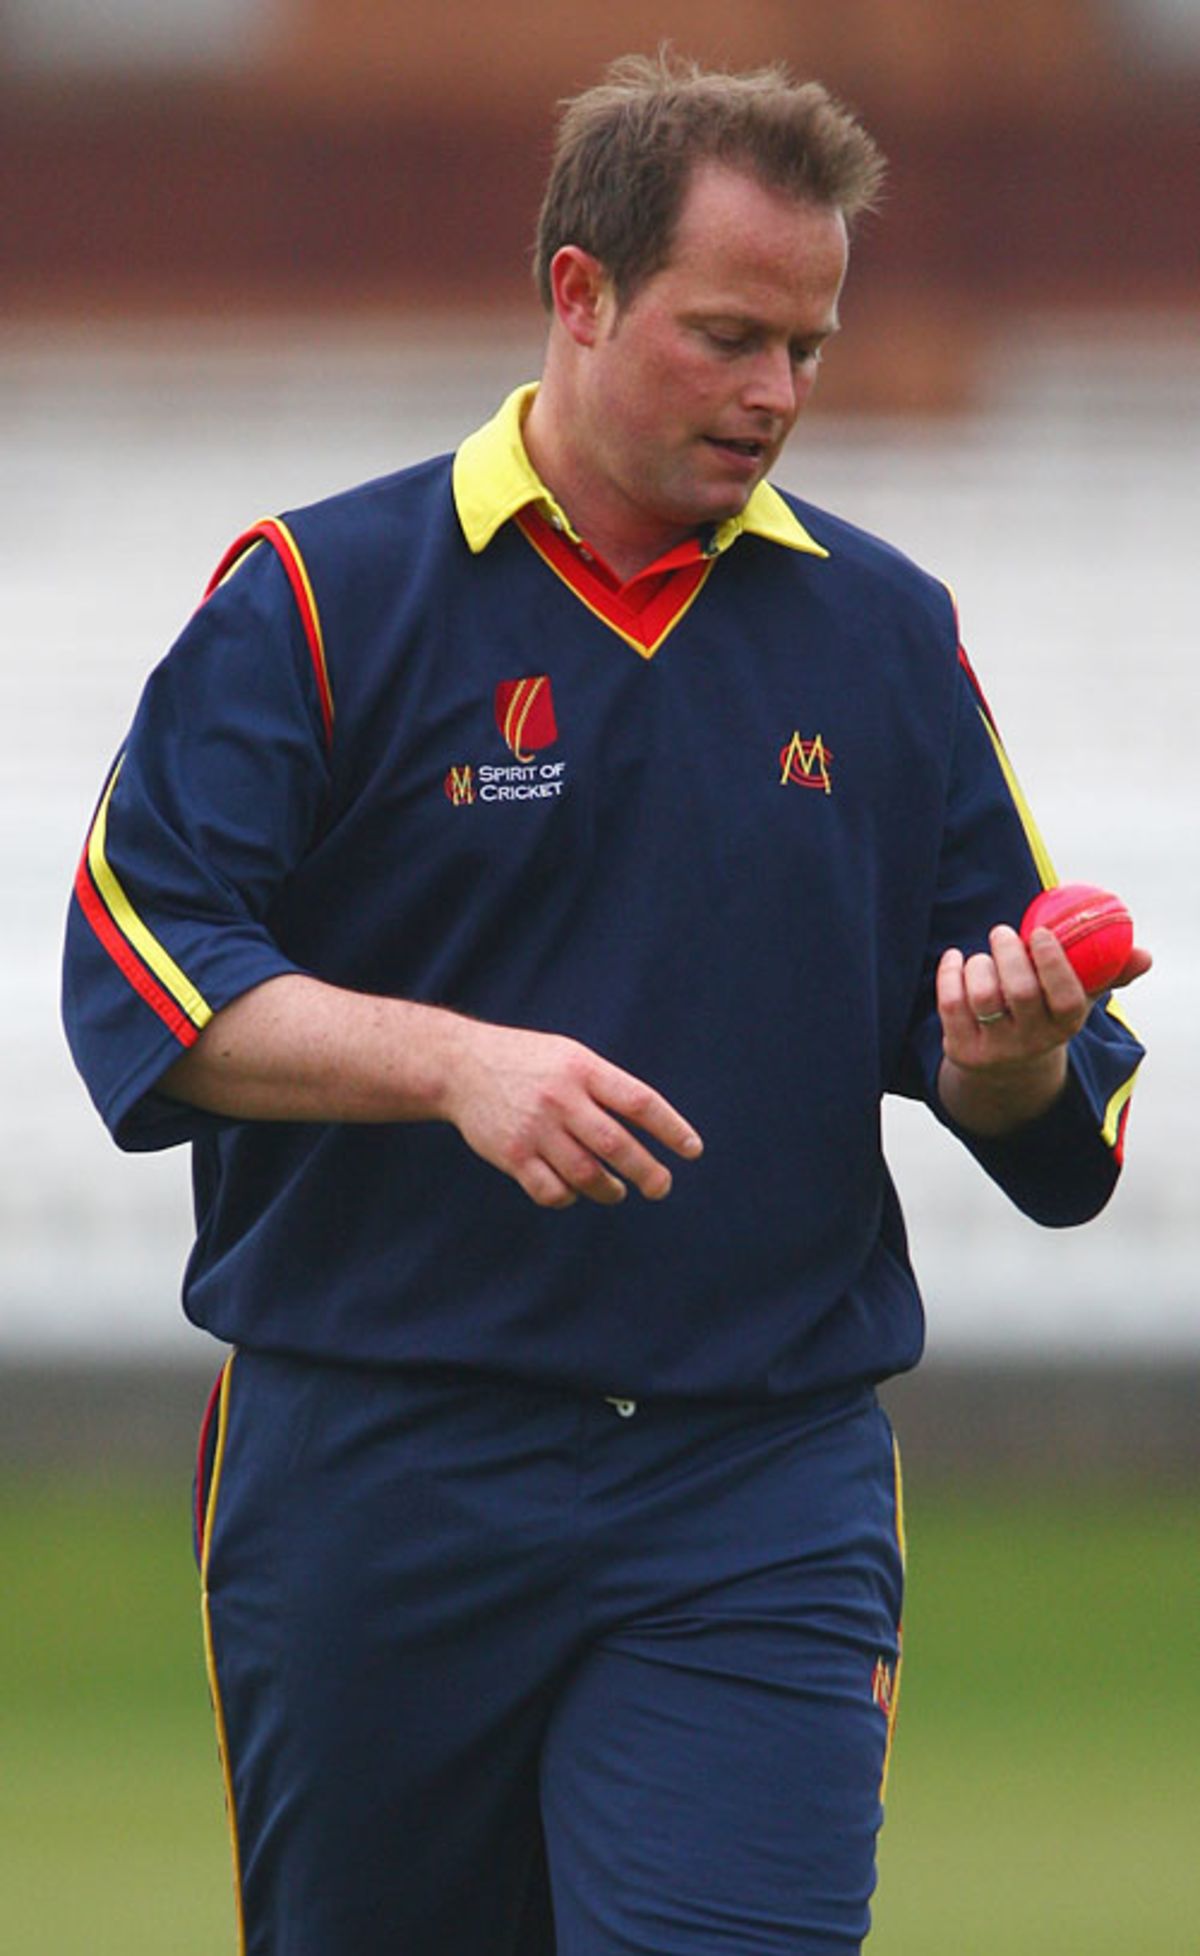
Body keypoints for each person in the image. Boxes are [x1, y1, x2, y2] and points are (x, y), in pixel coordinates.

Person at [63, 50, 1148, 1956]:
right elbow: (145, 974)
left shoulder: (885, 634)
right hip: (375, 1474)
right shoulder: (318, 597)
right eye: (729, 334)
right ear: (577, 294)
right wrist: (452, 1066)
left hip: (758, 1478)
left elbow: (1048, 1117)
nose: (778, 395)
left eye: (807, 347)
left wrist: (1011, 1054)